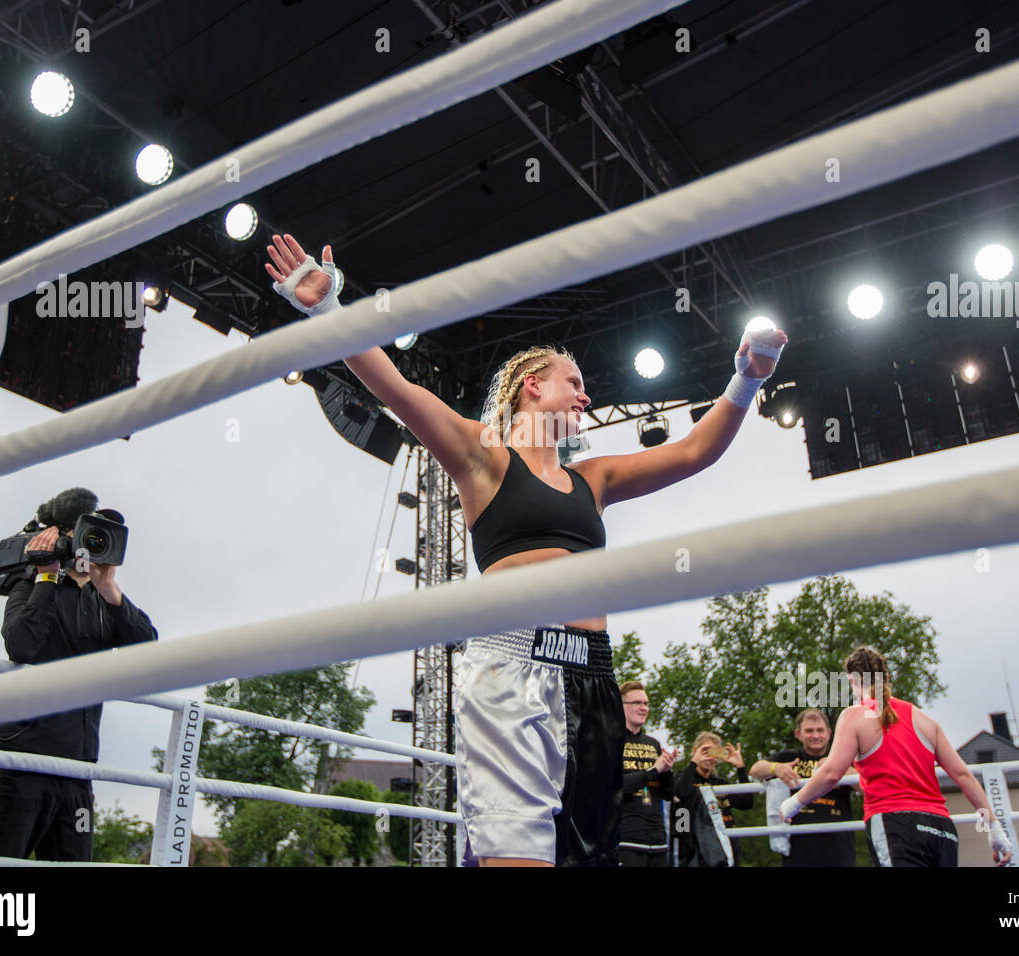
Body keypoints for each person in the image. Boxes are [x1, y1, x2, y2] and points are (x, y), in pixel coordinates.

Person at [265, 236, 787, 866]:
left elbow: (692, 451)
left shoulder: (594, 480)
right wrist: (327, 314)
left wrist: (745, 378)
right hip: (514, 667)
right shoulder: (481, 458)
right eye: (576, 383)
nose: (587, 396)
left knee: (586, 859)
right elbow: (398, 389)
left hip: (594, 680)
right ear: (532, 385)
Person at [0, 488, 158, 861]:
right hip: (20, 767)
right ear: (64, 537)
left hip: (77, 774)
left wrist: (108, 586)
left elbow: (147, 647)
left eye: (100, 537)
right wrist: (46, 576)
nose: (93, 546)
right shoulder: (31, 584)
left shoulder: (104, 599)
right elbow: (21, 645)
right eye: (87, 534)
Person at [779, 647, 1013, 867]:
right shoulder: (925, 720)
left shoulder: (855, 715)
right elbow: (963, 775)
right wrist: (993, 826)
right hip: (942, 829)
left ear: (852, 681)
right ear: (887, 677)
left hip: (896, 824)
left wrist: (793, 803)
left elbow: (831, 773)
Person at [750, 708, 857, 866]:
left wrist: (838, 767)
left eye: (820, 730)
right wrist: (776, 768)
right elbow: (755, 770)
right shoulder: (789, 757)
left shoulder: (842, 756)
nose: (815, 736)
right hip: (798, 844)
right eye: (809, 731)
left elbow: (866, 784)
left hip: (838, 844)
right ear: (799, 734)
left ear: (828, 733)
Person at [618, 681, 678, 867]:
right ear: (620, 706)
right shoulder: (611, 740)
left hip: (657, 838)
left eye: (646, 703)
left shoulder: (653, 744)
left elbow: (669, 793)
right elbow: (615, 787)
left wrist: (666, 771)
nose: (643, 708)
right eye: (637, 703)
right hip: (626, 839)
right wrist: (653, 770)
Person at [673, 732, 755, 866]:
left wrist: (740, 767)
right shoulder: (683, 777)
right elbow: (681, 792)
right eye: (706, 751)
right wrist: (694, 761)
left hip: (725, 849)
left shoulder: (720, 782)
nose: (710, 757)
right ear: (695, 750)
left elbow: (746, 802)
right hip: (695, 851)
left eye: (715, 753)